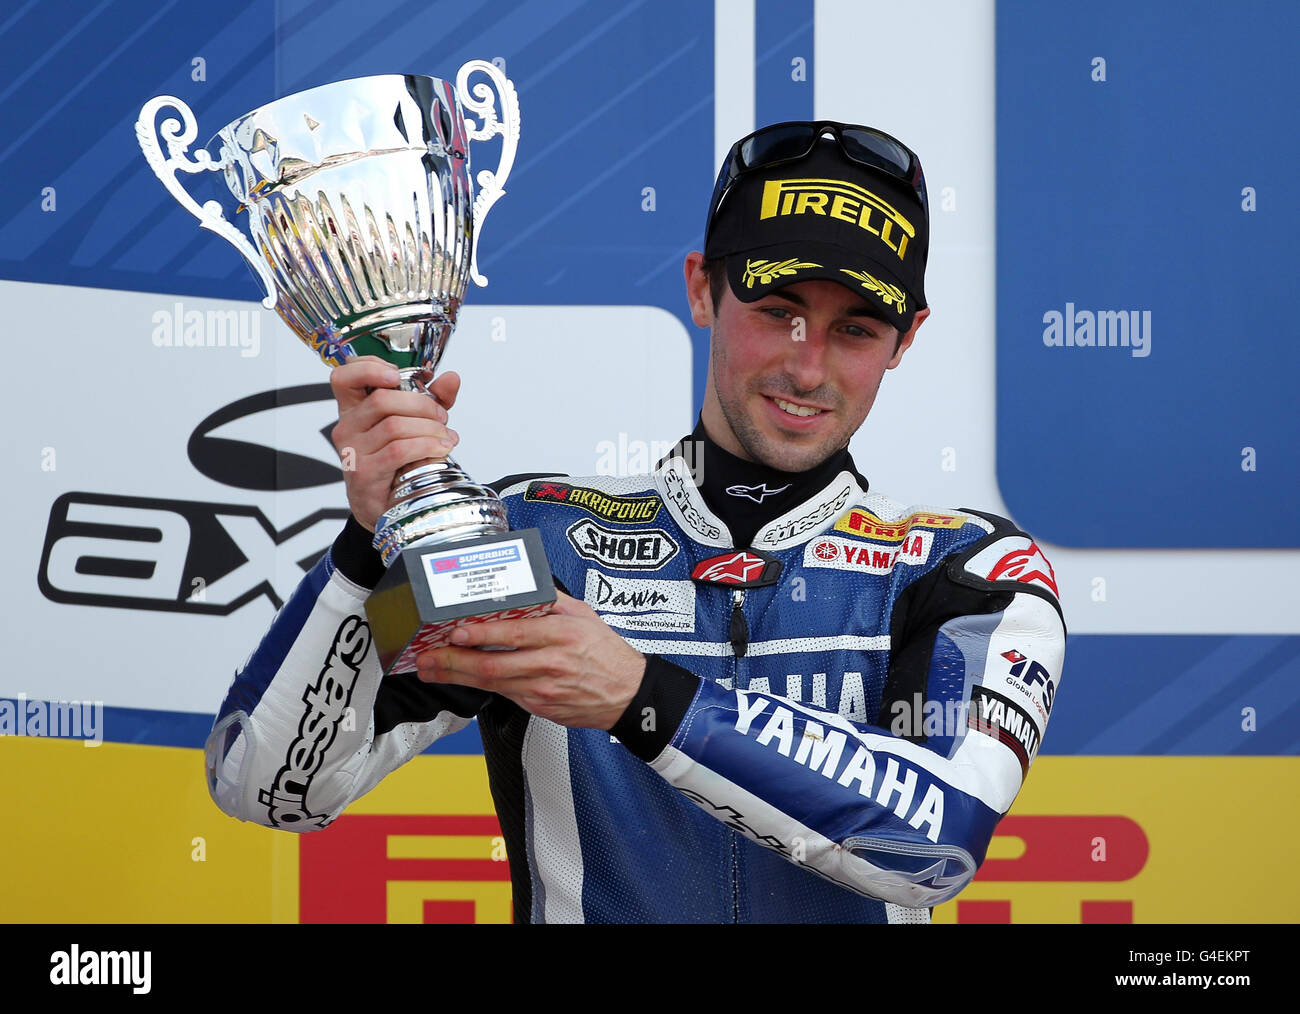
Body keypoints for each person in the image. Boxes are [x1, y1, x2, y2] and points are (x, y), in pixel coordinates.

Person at [205, 120, 1066, 924]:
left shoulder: (966, 567)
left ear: (905, 340)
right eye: (776, 312)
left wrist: (637, 696)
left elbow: (933, 843)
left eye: (856, 328)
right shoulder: (528, 543)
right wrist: (366, 547)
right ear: (702, 288)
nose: (808, 365)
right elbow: (269, 785)